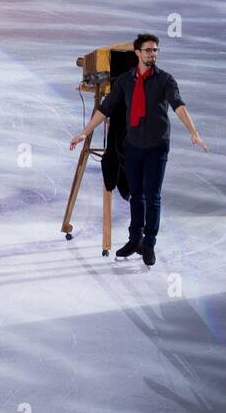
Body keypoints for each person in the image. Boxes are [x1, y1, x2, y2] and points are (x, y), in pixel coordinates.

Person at [70, 34, 208, 267]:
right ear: (137, 53)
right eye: (148, 50)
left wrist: (194, 132)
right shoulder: (125, 81)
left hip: (156, 146)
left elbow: (178, 104)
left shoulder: (165, 80)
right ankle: (135, 239)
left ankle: (149, 243)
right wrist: (84, 132)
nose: (152, 54)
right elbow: (105, 108)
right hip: (133, 145)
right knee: (137, 196)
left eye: (155, 50)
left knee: (153, 197)